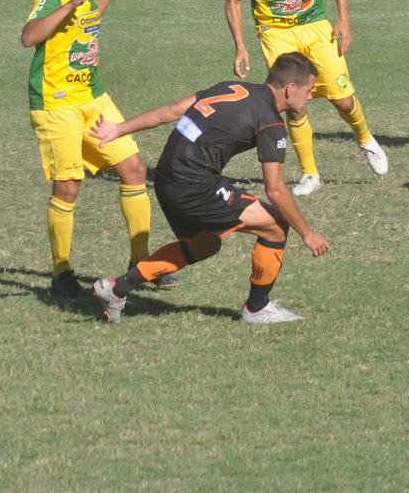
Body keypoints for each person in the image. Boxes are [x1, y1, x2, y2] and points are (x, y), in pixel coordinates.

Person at [89, 52, 330, 325]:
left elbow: (171, 111)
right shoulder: (271, 122)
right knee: (275, 226)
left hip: (165, 179)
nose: (310, 97)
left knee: (204, 245)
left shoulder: (231, 87)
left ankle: (116, 288)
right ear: (290, 89)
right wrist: (307, 234)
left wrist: (119, 129)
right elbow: (276, 190)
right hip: (194, 185)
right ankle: (257, 308)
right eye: (309, 90)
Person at [226, 0, 388, 197]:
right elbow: (234, 1)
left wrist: (344, 19)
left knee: (342, 99)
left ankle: (366, 139)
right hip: (276, 33)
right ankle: (309, 173)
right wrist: (240, 45)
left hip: (316, 27)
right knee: (294, 105)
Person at [21, 0, 156, 298]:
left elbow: (89, 16)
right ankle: (61, 272)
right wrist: (71, 2)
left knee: (133, 169)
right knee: (68, 185)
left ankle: (140, 264)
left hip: (93, 99)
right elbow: (29, 36)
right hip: (57, 104)